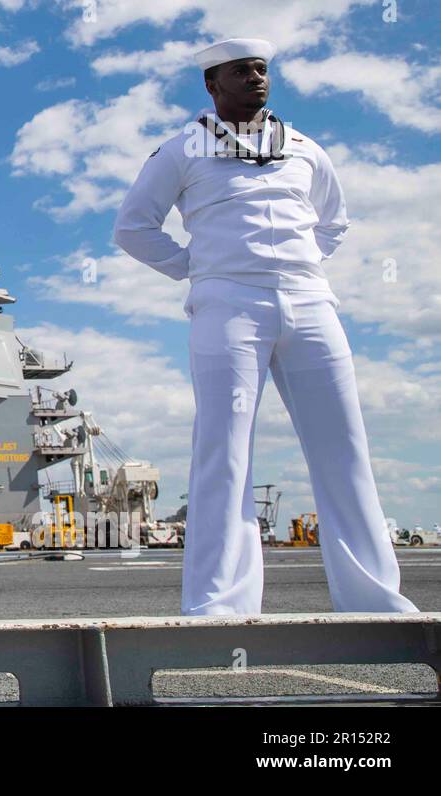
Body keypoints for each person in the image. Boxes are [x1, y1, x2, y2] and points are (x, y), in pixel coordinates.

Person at [113, 38, 416, 616]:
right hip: (227, 304)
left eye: (261, 70)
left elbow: (334, 221)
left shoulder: (304, 148)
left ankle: (375, 600)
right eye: (240, 71)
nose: (256, 78)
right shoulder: (182, 149)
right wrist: (198, 268)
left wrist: (296, 267)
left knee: (345, 447)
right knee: (223, 450)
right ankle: (220, 603)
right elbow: (133, 227)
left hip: (310, 301)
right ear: (212, 84)